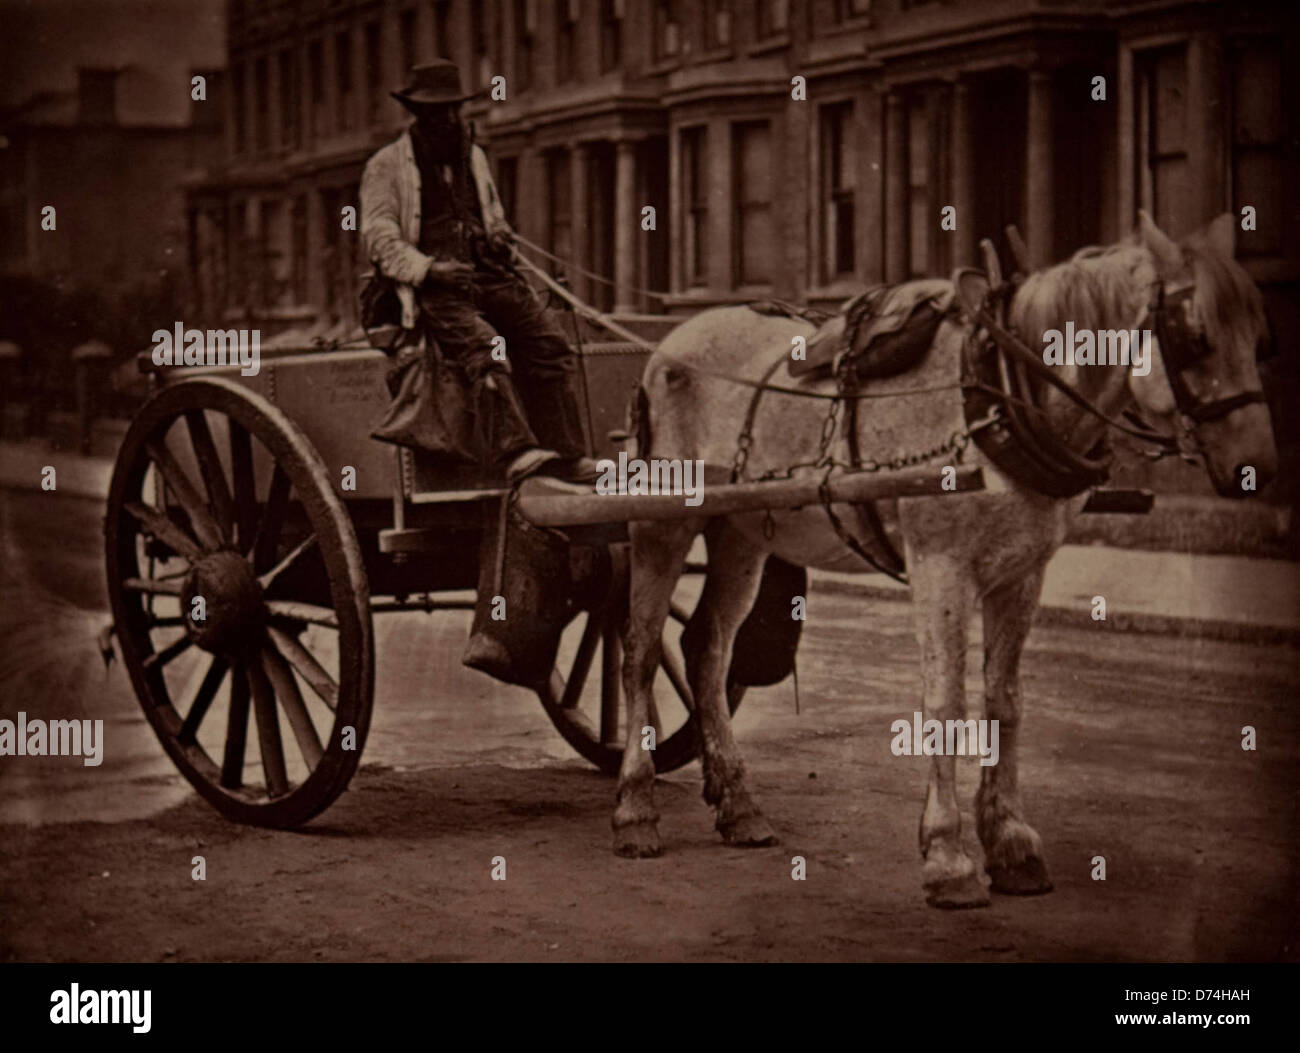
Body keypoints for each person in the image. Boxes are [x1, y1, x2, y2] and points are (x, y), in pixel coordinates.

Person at [360, 59, 599, 486]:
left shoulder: (475, 158)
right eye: (437, 113)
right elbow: (379, 239)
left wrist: (498, 239)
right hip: (432, 291)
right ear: (419, 115)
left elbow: (493, 218)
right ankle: (516, 451)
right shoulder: (386, 166)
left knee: (550, 343)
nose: (448, 120)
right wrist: (430, 270)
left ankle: (565, 455)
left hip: (486, 278)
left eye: (454, 110)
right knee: (487, 348)